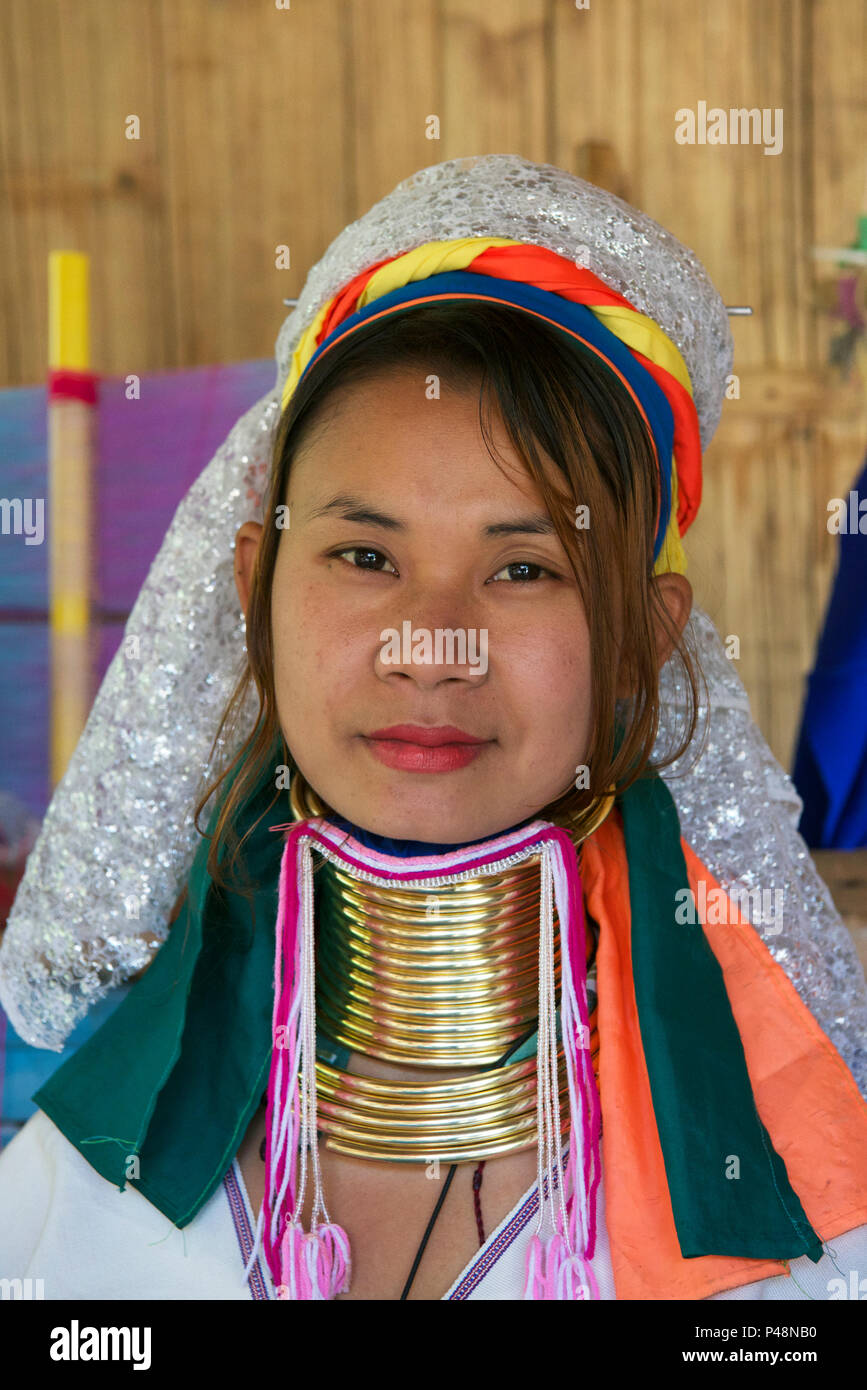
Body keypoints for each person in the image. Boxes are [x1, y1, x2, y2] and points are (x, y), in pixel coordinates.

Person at [1, 154, 866, 1301]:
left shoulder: (806, 1235)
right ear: (256, 588)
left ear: (643, 640)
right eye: (365, 556)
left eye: (523, 567)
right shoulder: (62, 1208)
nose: (433, 642)